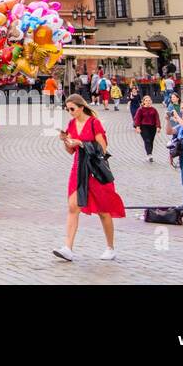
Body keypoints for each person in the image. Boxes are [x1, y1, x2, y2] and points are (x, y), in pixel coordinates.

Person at [54, 94, 125, 262]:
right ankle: (68, 248)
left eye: (72, 108)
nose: (70, 112)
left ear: (81, 107)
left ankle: (110, 247)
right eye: (67, 109)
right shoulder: (71, 123)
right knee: (73, 207)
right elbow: (71, 151)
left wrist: (81, 143)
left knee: (103, 211)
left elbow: (102, 148)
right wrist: (66, 141)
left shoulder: (94, 123)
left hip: (94, 170)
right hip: (78, 168)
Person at [134, 94, 161, 162]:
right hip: (144, 127)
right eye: (146, 100)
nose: (148, 102)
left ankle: (149, 153)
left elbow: (157, 118)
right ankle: (149, 155)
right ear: (143, 102)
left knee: (151, 141)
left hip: (152, 127)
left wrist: (158, 126)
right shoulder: (140, 110)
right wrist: (137, 127)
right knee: (147, 140)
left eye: (149, 100)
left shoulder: (154, 110)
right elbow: (137, 119)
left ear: (151, 101)